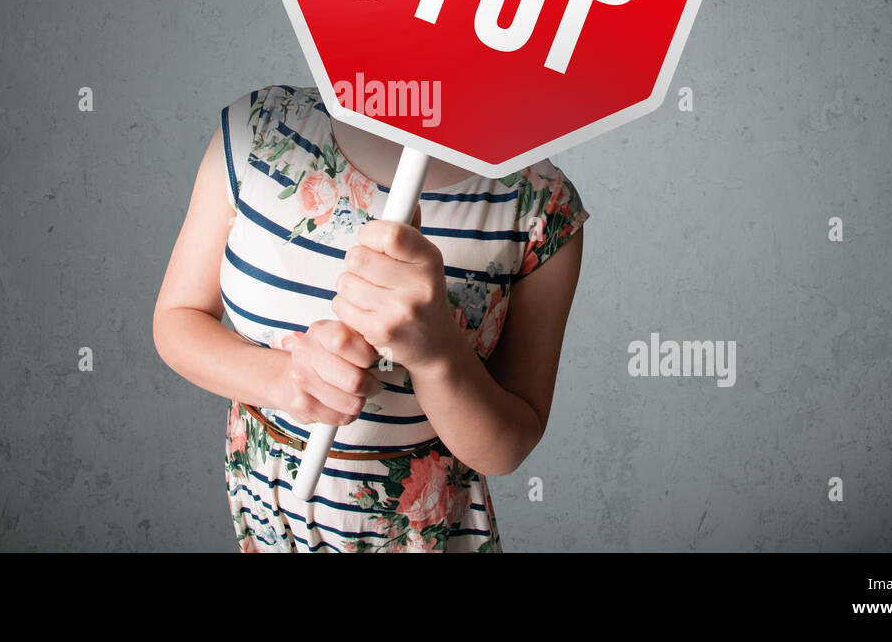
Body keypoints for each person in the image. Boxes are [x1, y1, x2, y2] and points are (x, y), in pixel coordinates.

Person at [152, 84, 589, 552]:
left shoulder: (540, 206)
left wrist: (436, 352)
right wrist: (285, 378)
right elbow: (178, 319)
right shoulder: (256, 130)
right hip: (266, 517)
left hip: (422, 534)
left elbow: (508, 446)